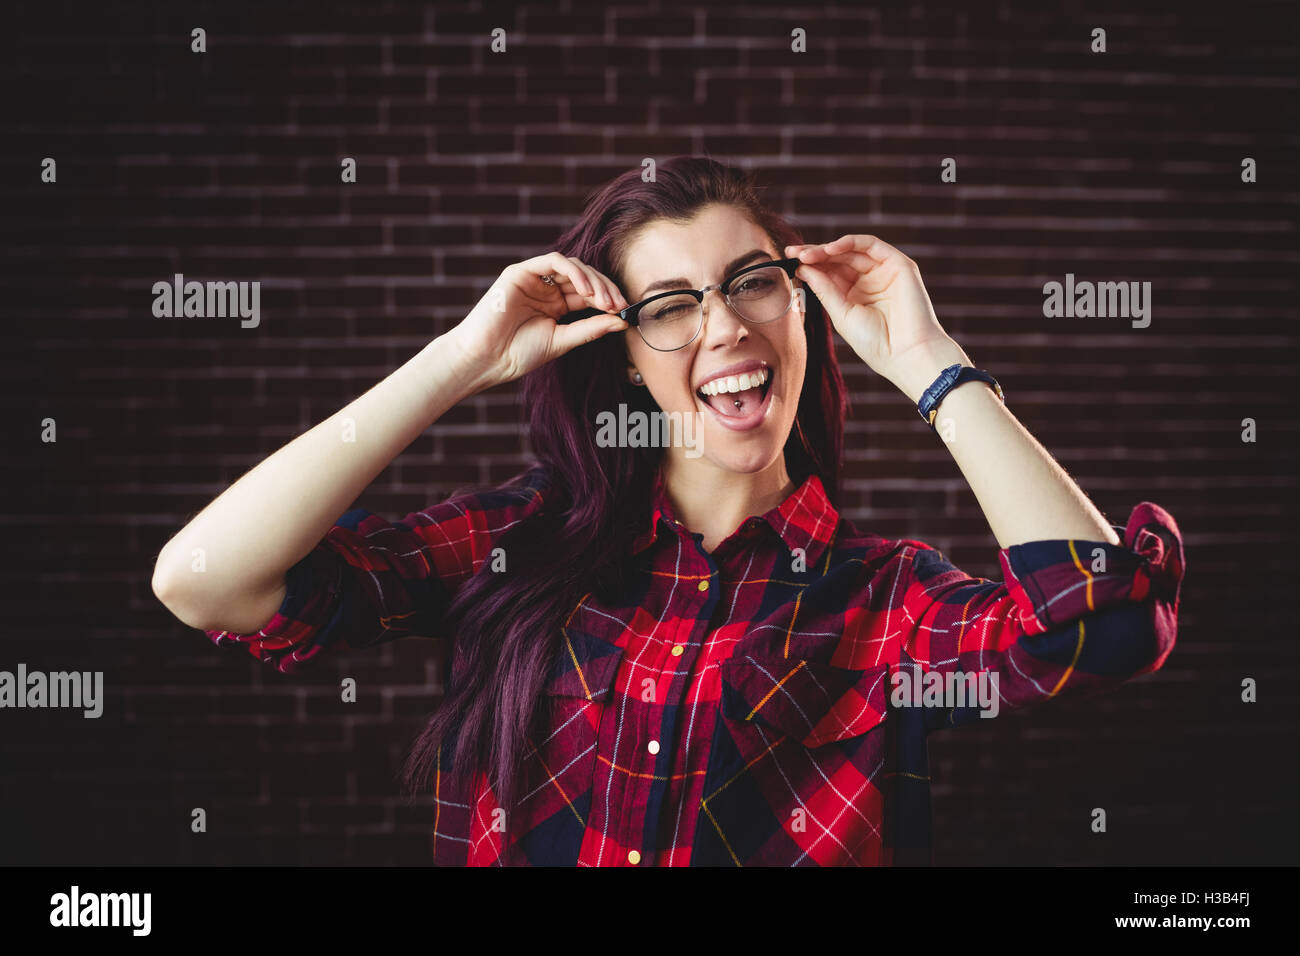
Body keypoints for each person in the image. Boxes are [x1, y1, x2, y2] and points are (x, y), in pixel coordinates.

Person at [152, 156, 1185, 866]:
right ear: (630, 360)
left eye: (751, 284)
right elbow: (206, 580)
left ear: (806, 312)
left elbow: (1106, 624)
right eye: (672, 305)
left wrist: (929, 363)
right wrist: (455, 362)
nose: (725, 325)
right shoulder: (523, 544)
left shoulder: (883, 598)